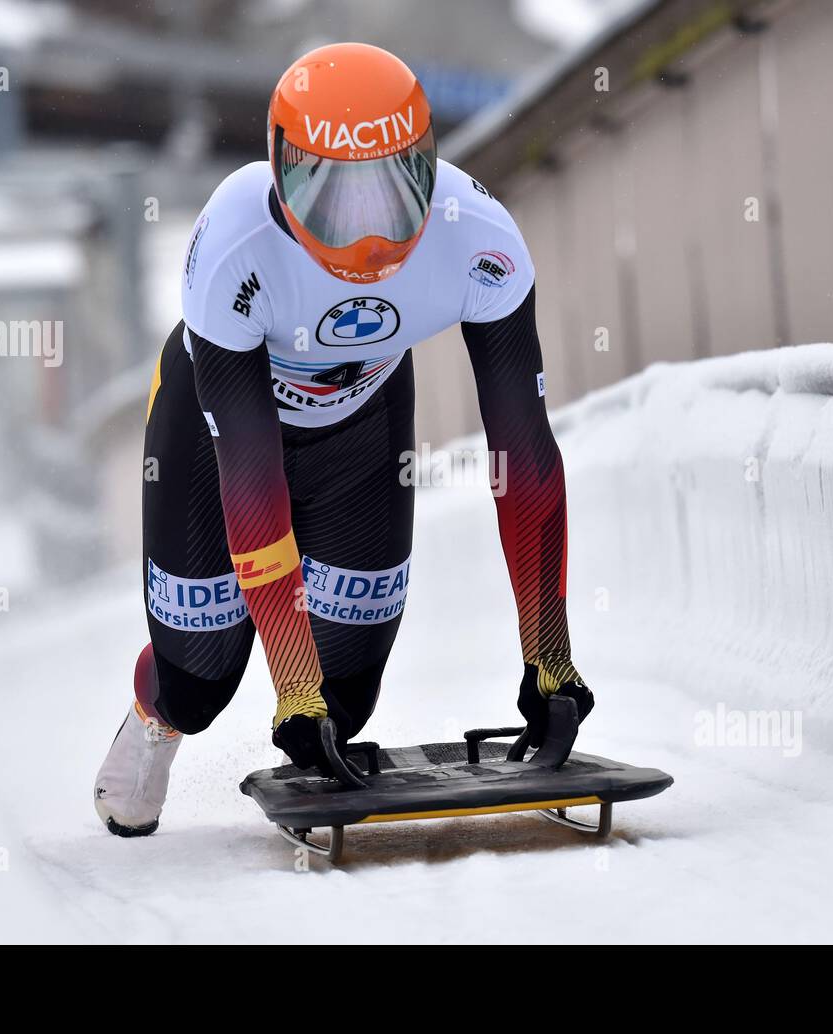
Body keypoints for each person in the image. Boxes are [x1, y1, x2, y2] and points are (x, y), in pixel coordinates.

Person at [94, 42, 593, 836]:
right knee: (200, 681)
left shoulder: (482, 240)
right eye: (331, 198)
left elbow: (524, 460)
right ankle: (158, 719)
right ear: (279, 173)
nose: (366, 239)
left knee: (345, 702)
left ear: (431, 168)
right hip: (218, 434)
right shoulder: (231, 245)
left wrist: (549, 654)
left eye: (394, 193)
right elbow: (254, 487)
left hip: (362, 434)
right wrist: (289, 683)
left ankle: (300, 689)